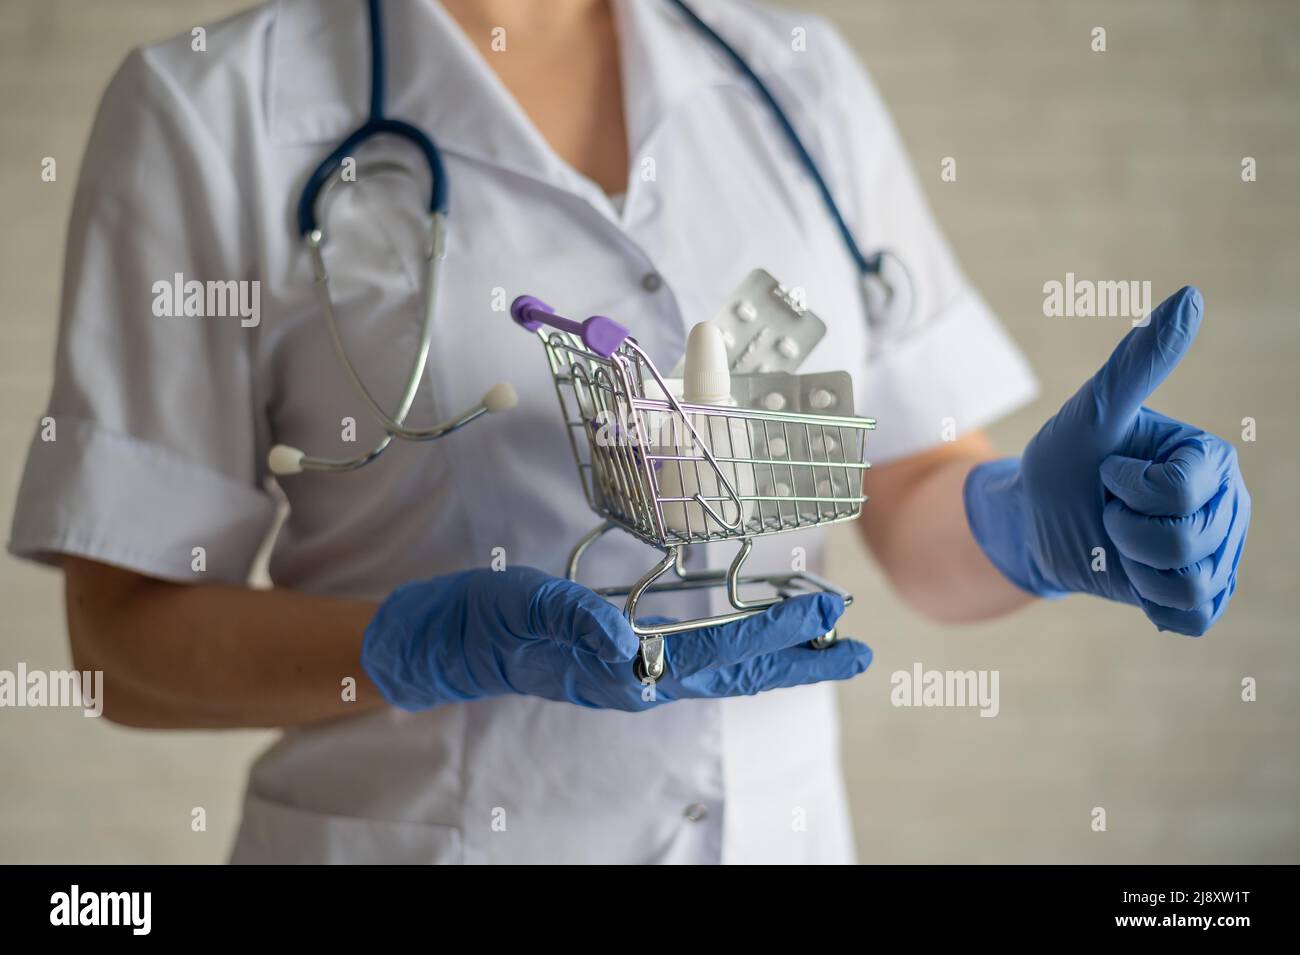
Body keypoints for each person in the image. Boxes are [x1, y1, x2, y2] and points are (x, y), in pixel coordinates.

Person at [8, 0, 1248, 864]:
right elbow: (124, 648)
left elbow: (912, 492)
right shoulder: (213, 106)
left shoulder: (793, 79)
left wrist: (1030, 522)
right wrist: (425, 645)